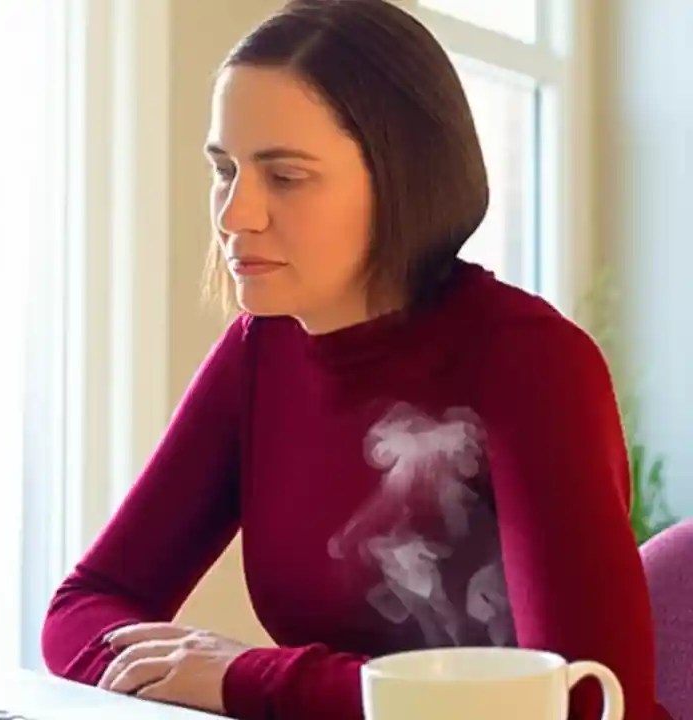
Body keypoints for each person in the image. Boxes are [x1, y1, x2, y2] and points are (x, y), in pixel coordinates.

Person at [40, 1, 670, 719]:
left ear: (400, 176)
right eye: (225, 170)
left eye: (285, 176)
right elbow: (82, 606)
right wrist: (189, 670)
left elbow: (581, 699)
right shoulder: (259, 351)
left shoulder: (531, 362)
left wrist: (250, 676)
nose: (234, 214)